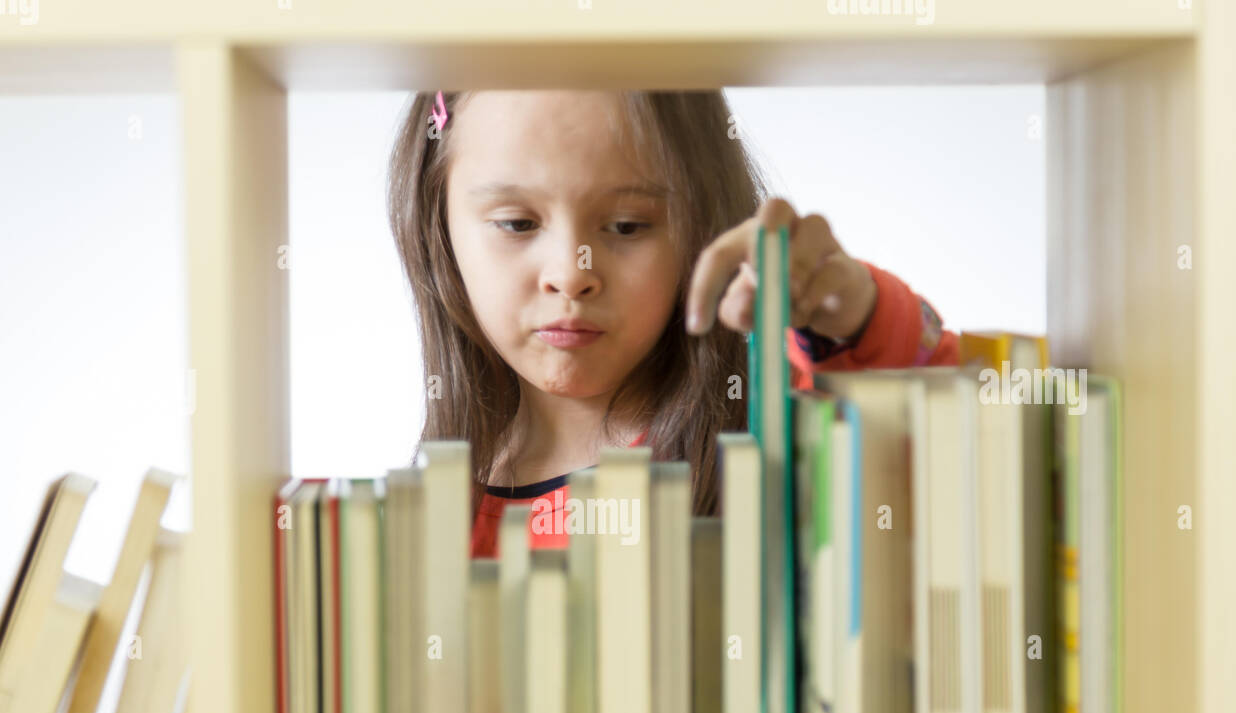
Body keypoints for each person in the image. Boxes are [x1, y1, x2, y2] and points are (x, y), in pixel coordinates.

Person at [386, 90, 958, 558]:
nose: (571, 273)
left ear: (701, 221)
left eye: (629, 226)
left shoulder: (783, 428)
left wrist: (858, 320)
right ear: (438, 228)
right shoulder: (414, 528)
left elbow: (980, 448)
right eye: (515, 223)